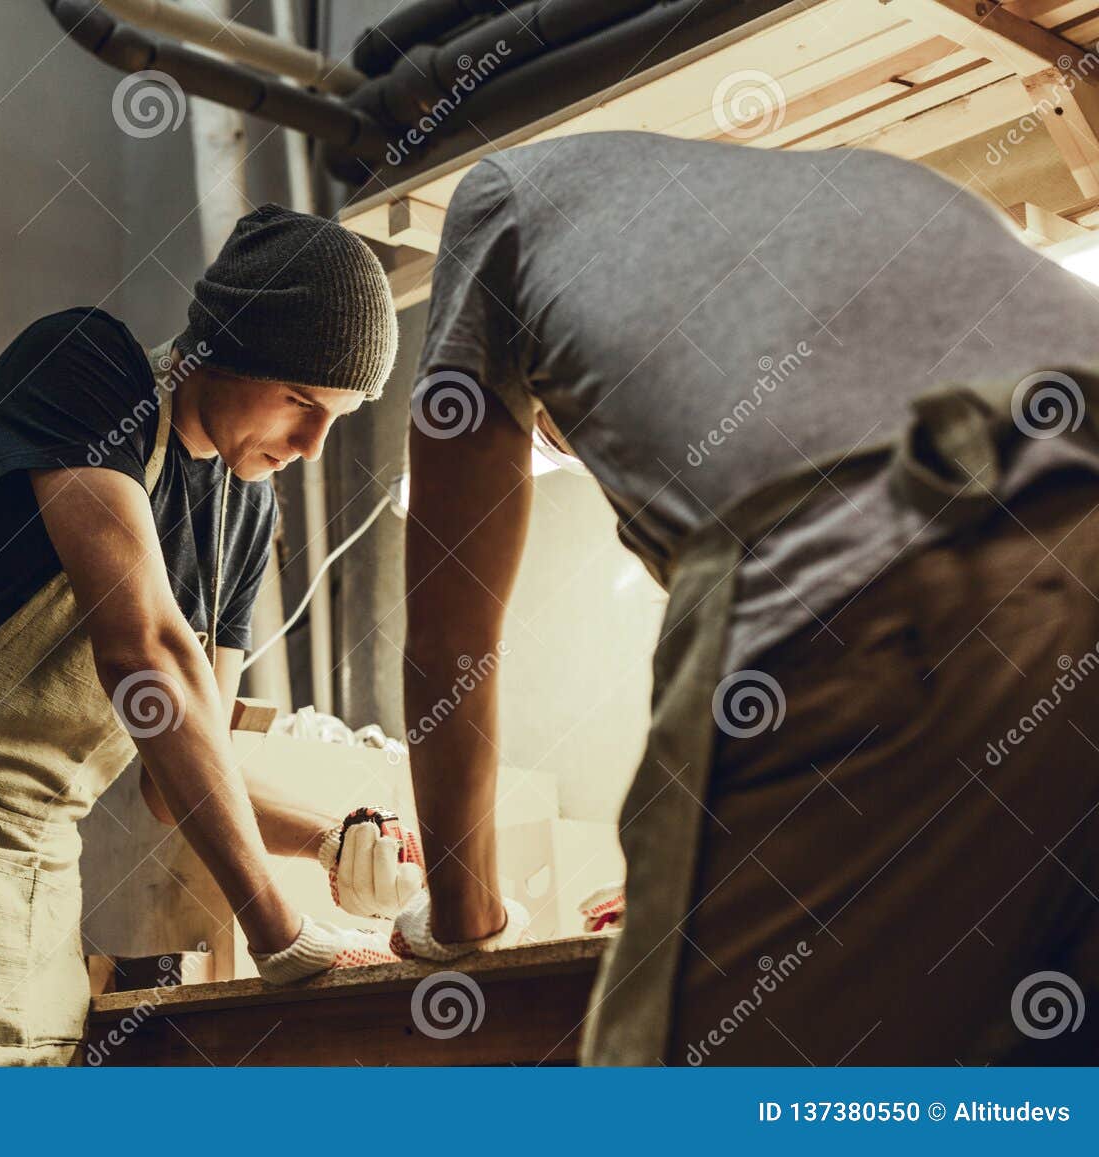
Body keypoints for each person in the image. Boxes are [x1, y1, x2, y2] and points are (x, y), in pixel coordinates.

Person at [389, 131, 1099, 1064]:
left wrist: (464, 917)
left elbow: (449, 643)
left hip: (894, 566)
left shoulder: (495, 200)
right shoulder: (837, 190)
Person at [0, 204, 426, 1065]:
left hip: (32, 898)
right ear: (224, 345)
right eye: (299, 400)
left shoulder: (242, 515)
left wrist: (331, 834)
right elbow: (144, 653)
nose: (314, 445)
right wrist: (278, 930)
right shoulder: (85, 370)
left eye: (342, 412)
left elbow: (184, 774)